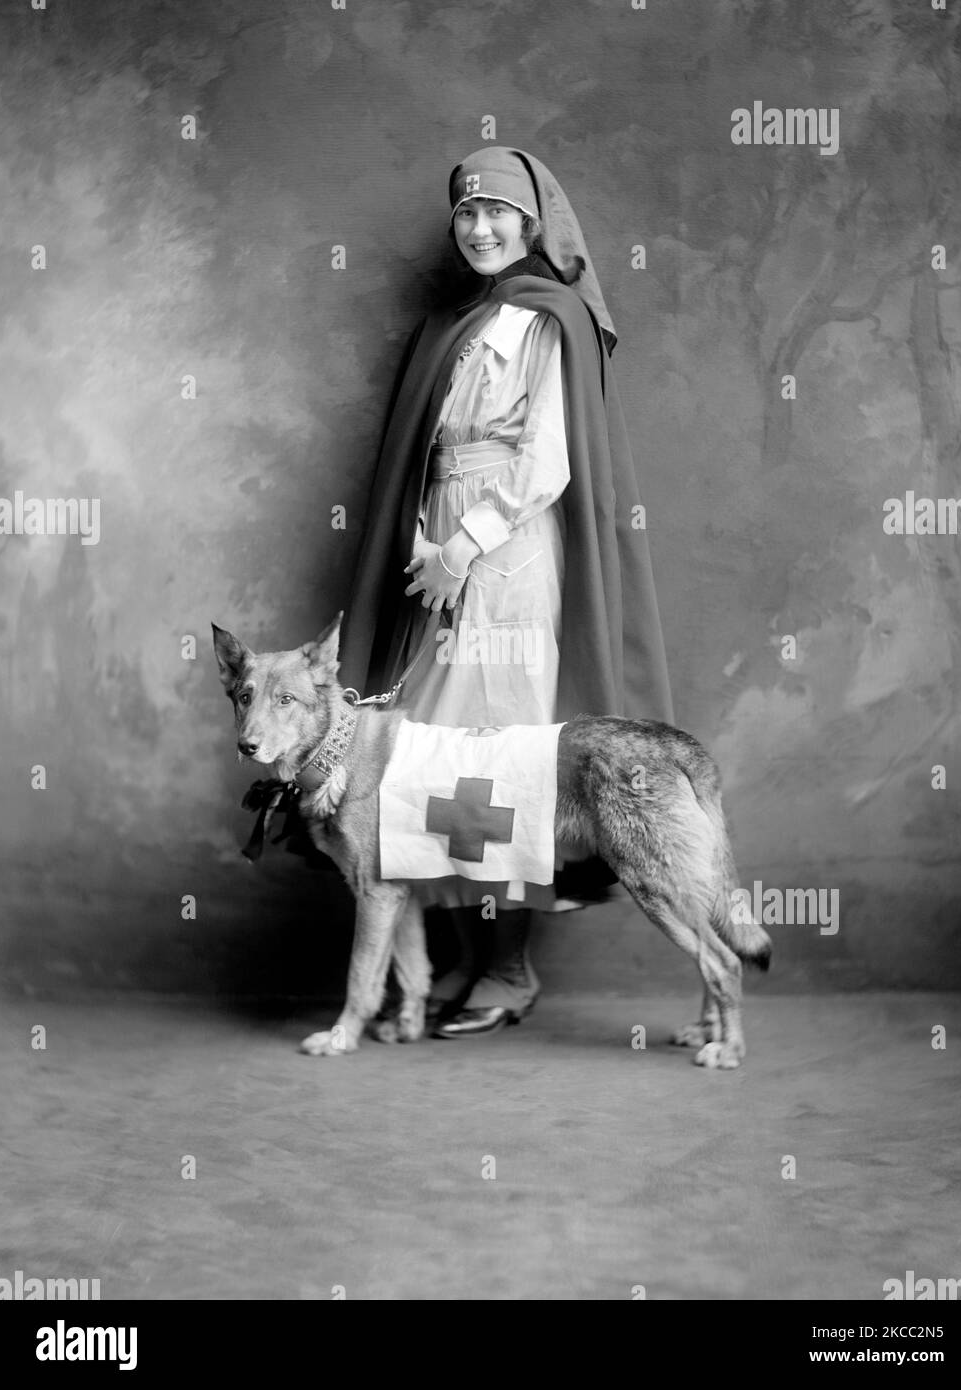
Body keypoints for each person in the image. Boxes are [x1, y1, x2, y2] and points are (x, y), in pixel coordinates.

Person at [339, 147, 674, 1037]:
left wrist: (465, 547)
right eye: (466, 213)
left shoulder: (546, 318)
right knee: (424, 751)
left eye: (498, 212)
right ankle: (457, 960)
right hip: (436, 551)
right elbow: (419, 458)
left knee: (500, 752)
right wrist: (422, 545)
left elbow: (547, 463)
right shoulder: (451, 322)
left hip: (507, 555)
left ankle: (509, 969)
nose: (480, 228)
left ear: (533, 223)